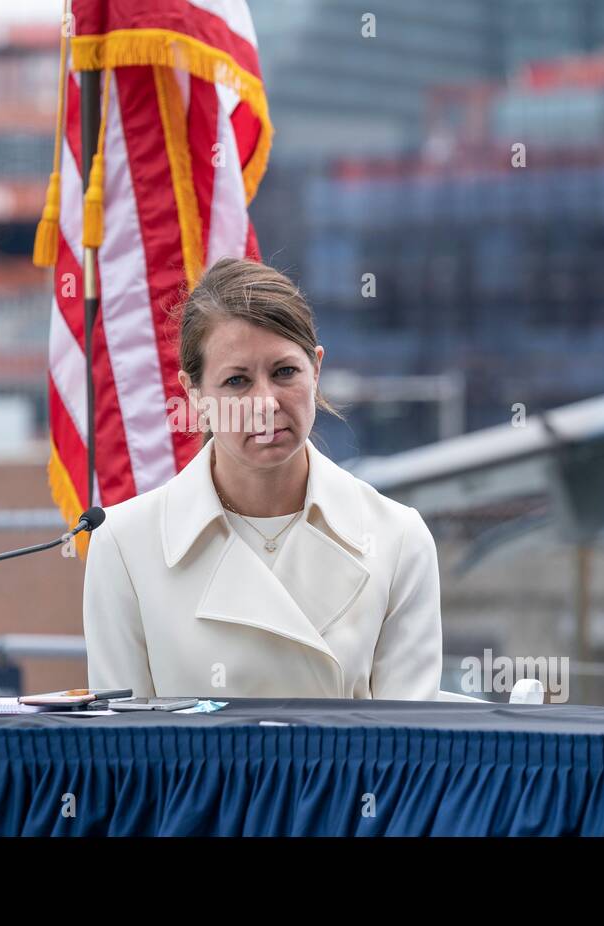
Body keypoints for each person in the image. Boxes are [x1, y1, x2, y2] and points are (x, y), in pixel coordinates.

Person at [81, 257, 442, 699]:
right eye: (237, 381)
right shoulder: (123, 545)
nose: (266, 403)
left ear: (317, 370)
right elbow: (122, 756)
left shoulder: (399, 538)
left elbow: (410, 754)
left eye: (284, 372)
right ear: (194, 394)